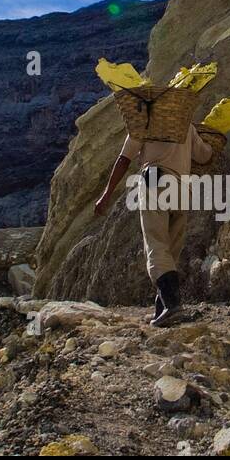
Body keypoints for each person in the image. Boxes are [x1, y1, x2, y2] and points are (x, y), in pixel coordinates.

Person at [93, 121, 213, 327]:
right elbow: (205, 155)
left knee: (156, 245)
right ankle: (163, 310)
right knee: (171, 250)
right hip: (183, 190)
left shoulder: (146, 122)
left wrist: (106, 195)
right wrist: (208, 137)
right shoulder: (187, 126)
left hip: (155, 181)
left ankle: (172, 306)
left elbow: (124, 159)